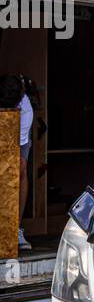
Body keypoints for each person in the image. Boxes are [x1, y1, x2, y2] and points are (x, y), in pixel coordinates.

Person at [0, 74, 33, 251]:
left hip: (17, 139)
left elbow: (16, 157)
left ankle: (15, 228)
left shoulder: (25, 110)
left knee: (19, 170)